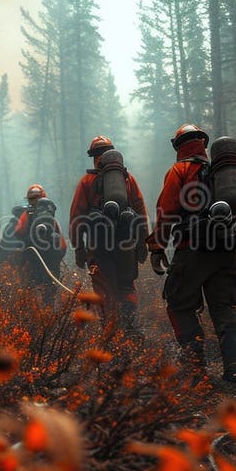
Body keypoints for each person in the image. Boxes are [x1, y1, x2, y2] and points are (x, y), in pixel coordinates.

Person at [147, 124, 236, 384]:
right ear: (203, 144)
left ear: (178, 146)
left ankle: (196, 370)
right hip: (226, 251)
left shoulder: (179, 171)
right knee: (224, 308)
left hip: (191, 252)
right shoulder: (225, 173)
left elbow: (166, 212)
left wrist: (157, 246)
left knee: (180, 305)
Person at [69, 136, 148, 330]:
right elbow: (140, 212)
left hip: (98, 248)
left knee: (105, 291)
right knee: (126, 286)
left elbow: (76, 218)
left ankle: (112, 336)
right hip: (126, 245)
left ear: (93, 156)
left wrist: (79, 249)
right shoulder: (128, 180)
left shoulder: (87, 181)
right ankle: (129, 327)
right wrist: (143, 243)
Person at [12, 184, 67, 300]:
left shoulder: (27, 214)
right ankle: (49, 311)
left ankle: (31, 311)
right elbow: (63, 246)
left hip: (32, 257)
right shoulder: (52, 218)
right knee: (49, 291)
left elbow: (18, 232)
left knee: (28, 288)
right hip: (51, 260)